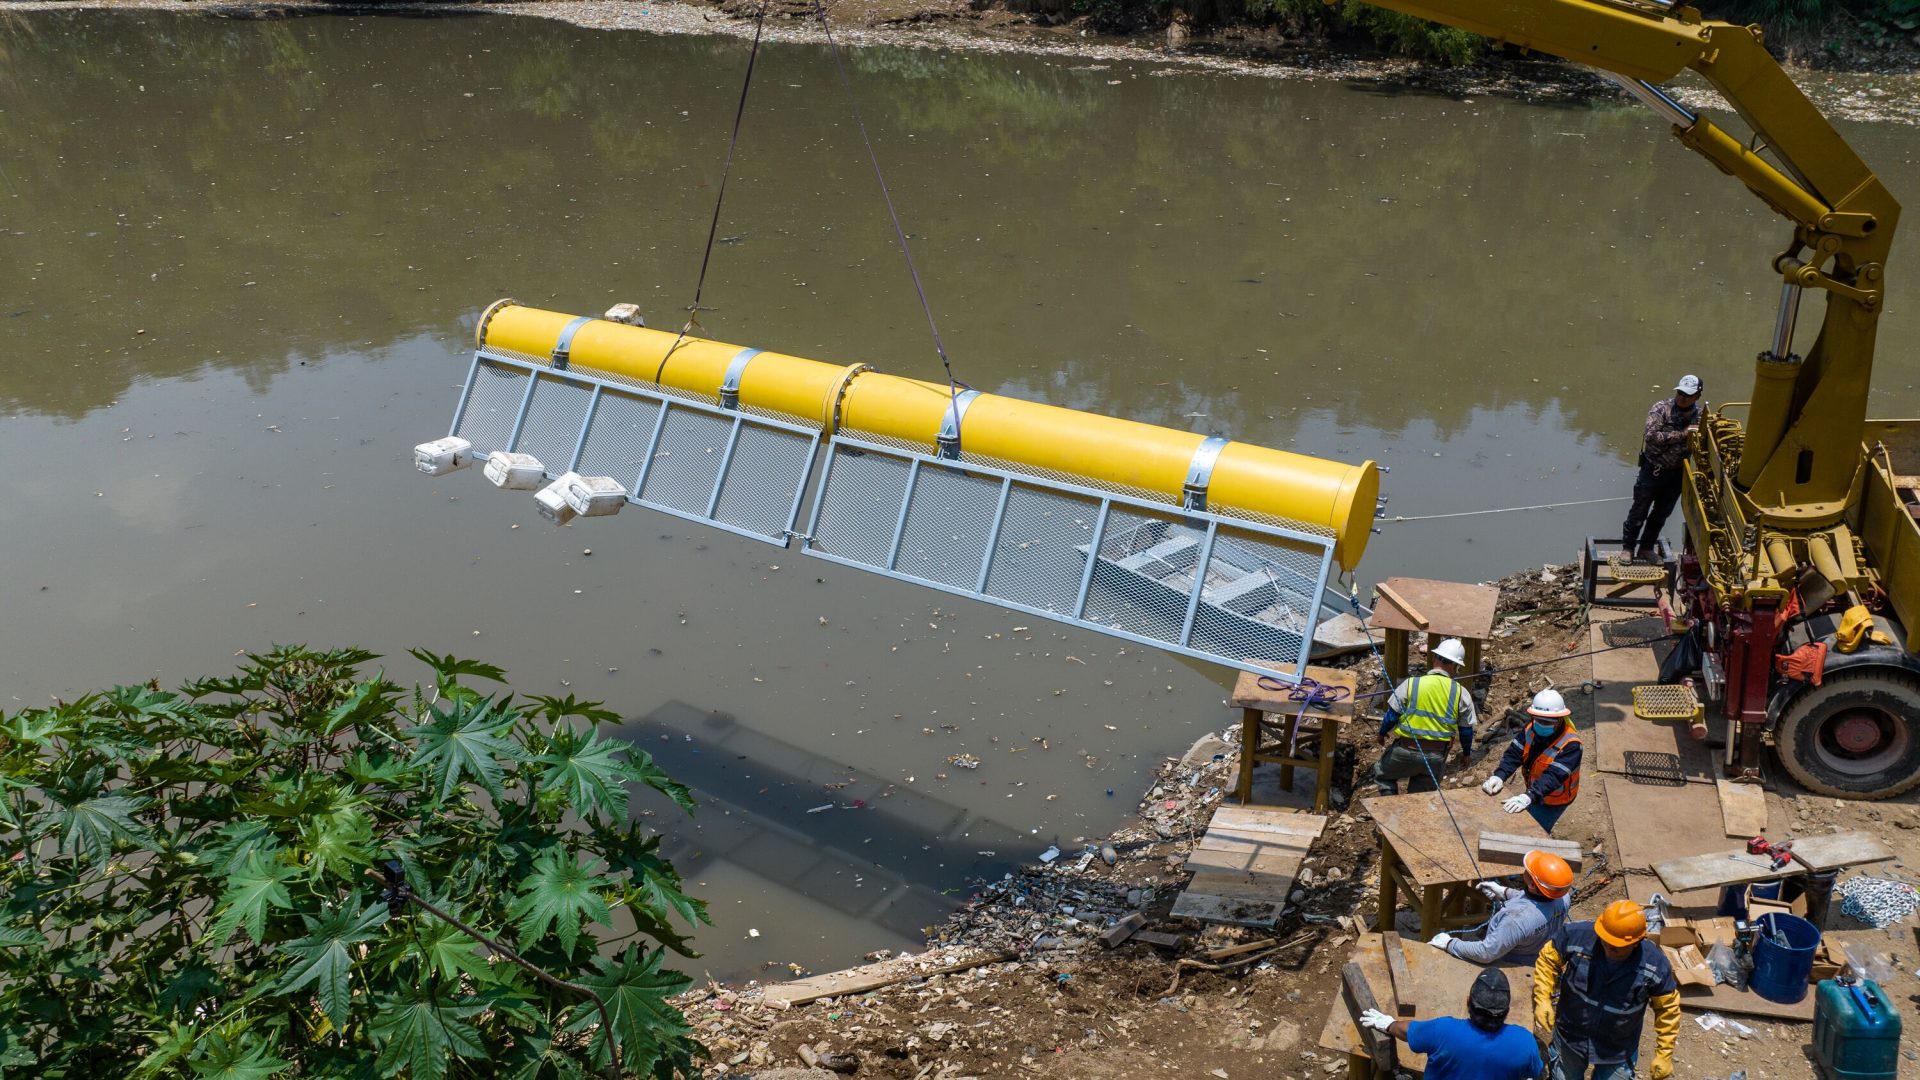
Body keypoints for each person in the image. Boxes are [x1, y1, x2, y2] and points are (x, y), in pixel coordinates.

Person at [1535, 899, 1682, 1080]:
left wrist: (1664, 1053)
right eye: (1606, 941)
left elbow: (1668, 1009)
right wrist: (1543, 998)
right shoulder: (1576, 937)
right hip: (1570, 1037)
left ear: (1637, 942)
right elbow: (1548, 959)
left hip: (1617, 1048)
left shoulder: (1655, 966)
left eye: (1618, 946)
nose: (1609, 948)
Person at [1358, 967, 1542, 1080]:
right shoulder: (1525, 1042)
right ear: (1507, 1010)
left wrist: (1388, 1024)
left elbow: (1407, 1031)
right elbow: (1535, 1072)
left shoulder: (1444, 1031)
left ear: (1468, 1001)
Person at [1427, 849, 1573, 965]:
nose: (1525, 870)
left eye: (1529, 872)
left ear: (1532, 885)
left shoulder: (1515, 921)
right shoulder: (1563, 896)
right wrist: (1503, 891)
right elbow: (1534, 902)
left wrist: (1450, 943)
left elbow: (1486, 953)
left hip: (1510, 965)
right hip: (1536, 954)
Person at [1373, 638, 1477, 795]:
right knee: (1421, 796)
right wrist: (1466, 754)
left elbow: (1392, 716)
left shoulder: (1411, 684)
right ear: (1456, 666)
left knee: (1383, 776)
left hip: (1405, 750)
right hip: (1435, 757)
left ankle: (1389, 805)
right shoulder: (1461, 693)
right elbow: (1466, 731)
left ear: (1435, 658)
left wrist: (1382, 733)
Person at [1621, 375, 1704, 563]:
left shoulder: (1699, 417)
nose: (1682, 397)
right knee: (1639, 511)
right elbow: (1651, 436)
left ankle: (1646, 548)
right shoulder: (1661, 408)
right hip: (1653, 470)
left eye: (1687, 395)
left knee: (1660, 515)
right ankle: (1628, 548)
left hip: (1676, 474)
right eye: (1680, 392)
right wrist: (1683, 434)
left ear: (1697, 396)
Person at [1481, 688, 1583, 833]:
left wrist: (1529, 796)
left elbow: (1554, 776)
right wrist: (1499, 775)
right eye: (1538, 719)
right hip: (1535, 790)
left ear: (1560, 719)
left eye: (1547, 721)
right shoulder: (1530, 728)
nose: (1541, 724)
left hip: (1554, 800)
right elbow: (1514, 754)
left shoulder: (1571, 744)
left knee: (1534, 831)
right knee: (1527, 818)